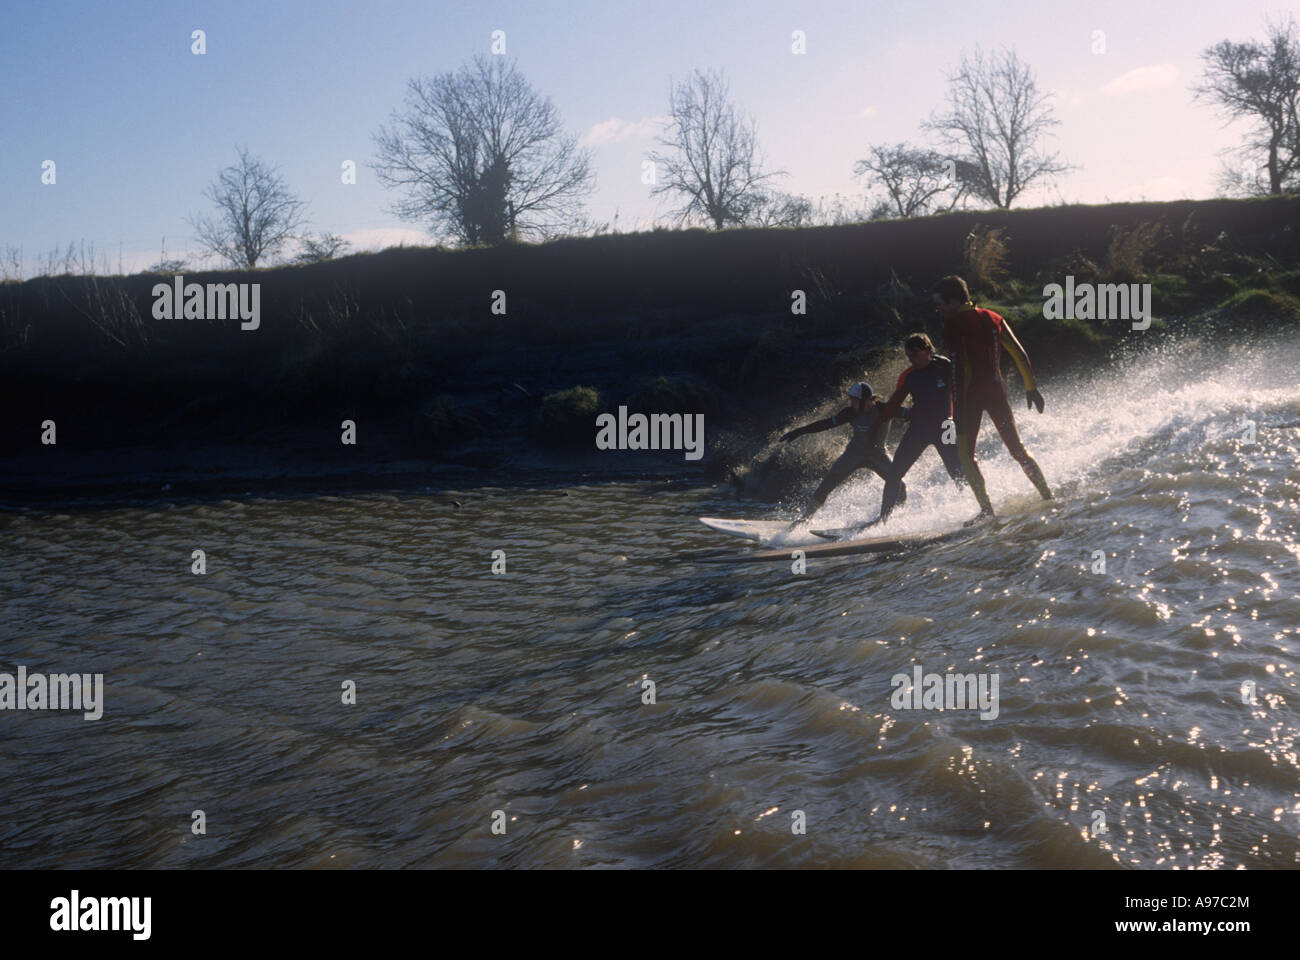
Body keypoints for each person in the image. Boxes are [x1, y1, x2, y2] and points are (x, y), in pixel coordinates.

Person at [934, 275, 1052, 524]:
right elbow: (1019, 353)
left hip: (970, 397)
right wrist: (1031, 388)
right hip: (997, 391)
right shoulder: (994, 317)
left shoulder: (953, 324)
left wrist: (955, 409)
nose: (938, 309)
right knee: (1018, 449)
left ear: (954, 301)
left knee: (966, 454)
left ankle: (987, 510)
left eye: (940, 304)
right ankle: (1048, 496)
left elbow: (958, 368)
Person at [779, 381, 904, 521]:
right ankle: (805, 519)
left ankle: (891, 519)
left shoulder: (885, 409)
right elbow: (824, 424)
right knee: (827, 483)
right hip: (853, 455)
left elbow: (910, 413)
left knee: (899, 486)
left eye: (855, 401)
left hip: (878, 455)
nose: (852, 404)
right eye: (852, 401)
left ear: (866, 400)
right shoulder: (850, 413)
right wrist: (799, 431)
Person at [875, 333, 965, 522]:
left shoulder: (944, 366)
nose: (912, 359)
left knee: (956, 470)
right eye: (908, 356)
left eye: (915, 354)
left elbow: (964, 386)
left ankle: (974, 506)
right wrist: (877, 423)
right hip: (919, 430)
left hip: (946, 427)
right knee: (894, 474)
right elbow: (893, 404)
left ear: (927, 350)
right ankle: (882, 520)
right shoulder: (909, 376)